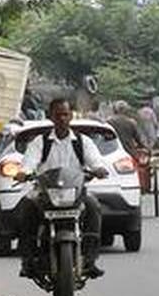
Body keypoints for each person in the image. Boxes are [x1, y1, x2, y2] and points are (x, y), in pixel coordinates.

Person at [13, 98, 109, 279]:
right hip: (45, 194)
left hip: (75, 193)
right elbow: (29, 162)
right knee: (26, 208)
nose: (62, 119)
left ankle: (90, 259)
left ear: (71, 116)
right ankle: (28, 260)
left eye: (65, 114)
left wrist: (99, 169)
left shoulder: (82, 142)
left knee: (93, 206)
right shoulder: (41, 142)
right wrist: (24, 172)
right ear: (51, 117)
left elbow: (95, 161)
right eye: (58, 115)